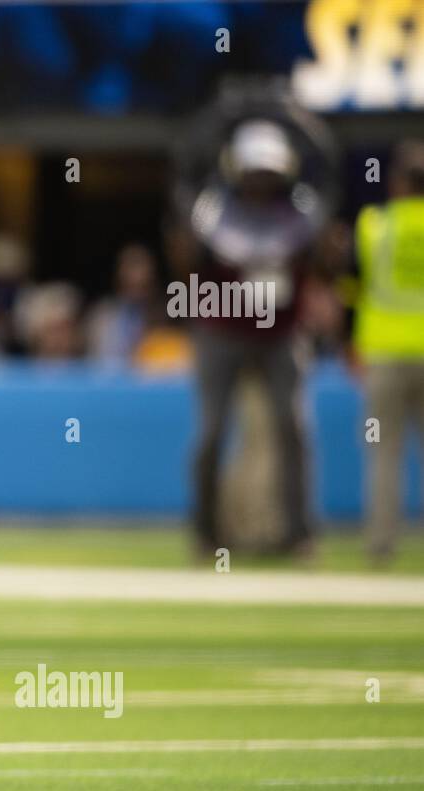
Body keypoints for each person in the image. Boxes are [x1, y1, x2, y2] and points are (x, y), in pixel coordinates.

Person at [184, 119, 322, 556]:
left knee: (294, 428)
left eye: (268, 173)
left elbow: (321, 267)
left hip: (281, 335)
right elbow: (188, 271)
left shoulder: (300, 214)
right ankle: (205, 533)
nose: (260, 183)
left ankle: (298, 535)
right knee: (211, 431)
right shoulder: (212, 214)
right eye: (253, 173)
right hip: (222, 331)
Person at [354, 141, 424, 563]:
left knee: (384, 454)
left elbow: (355, 278)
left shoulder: (375, 225)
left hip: (384, 355)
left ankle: (382, 544)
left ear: (397, 183)